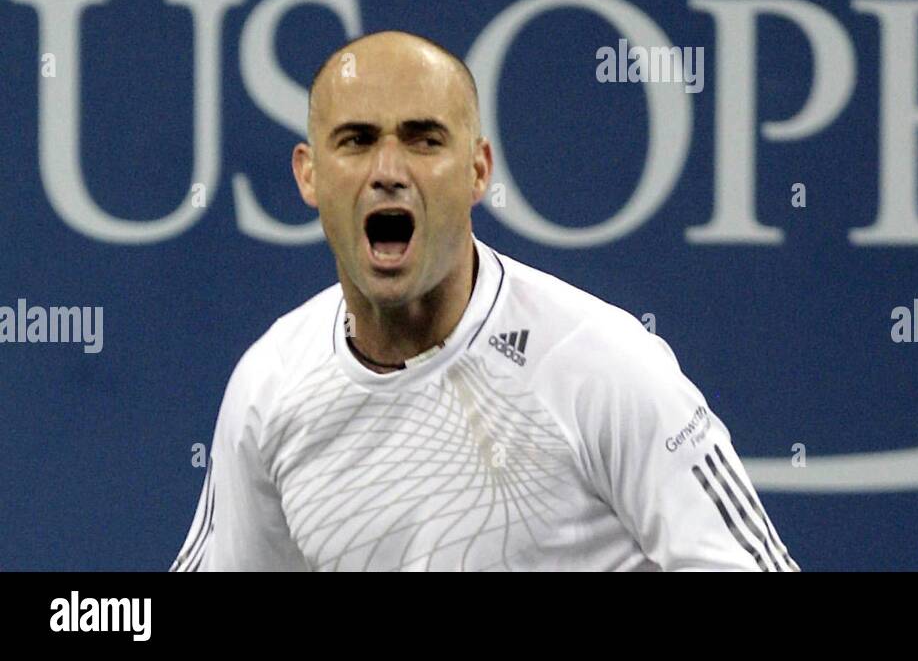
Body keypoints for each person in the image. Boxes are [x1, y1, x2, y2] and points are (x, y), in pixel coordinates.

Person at [170, 30, 798, 571]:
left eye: (423, 140)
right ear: (310, 174)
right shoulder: (270, 386)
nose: (388, 169)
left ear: (477, 171)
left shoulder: (601, 364)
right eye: (357, 140)